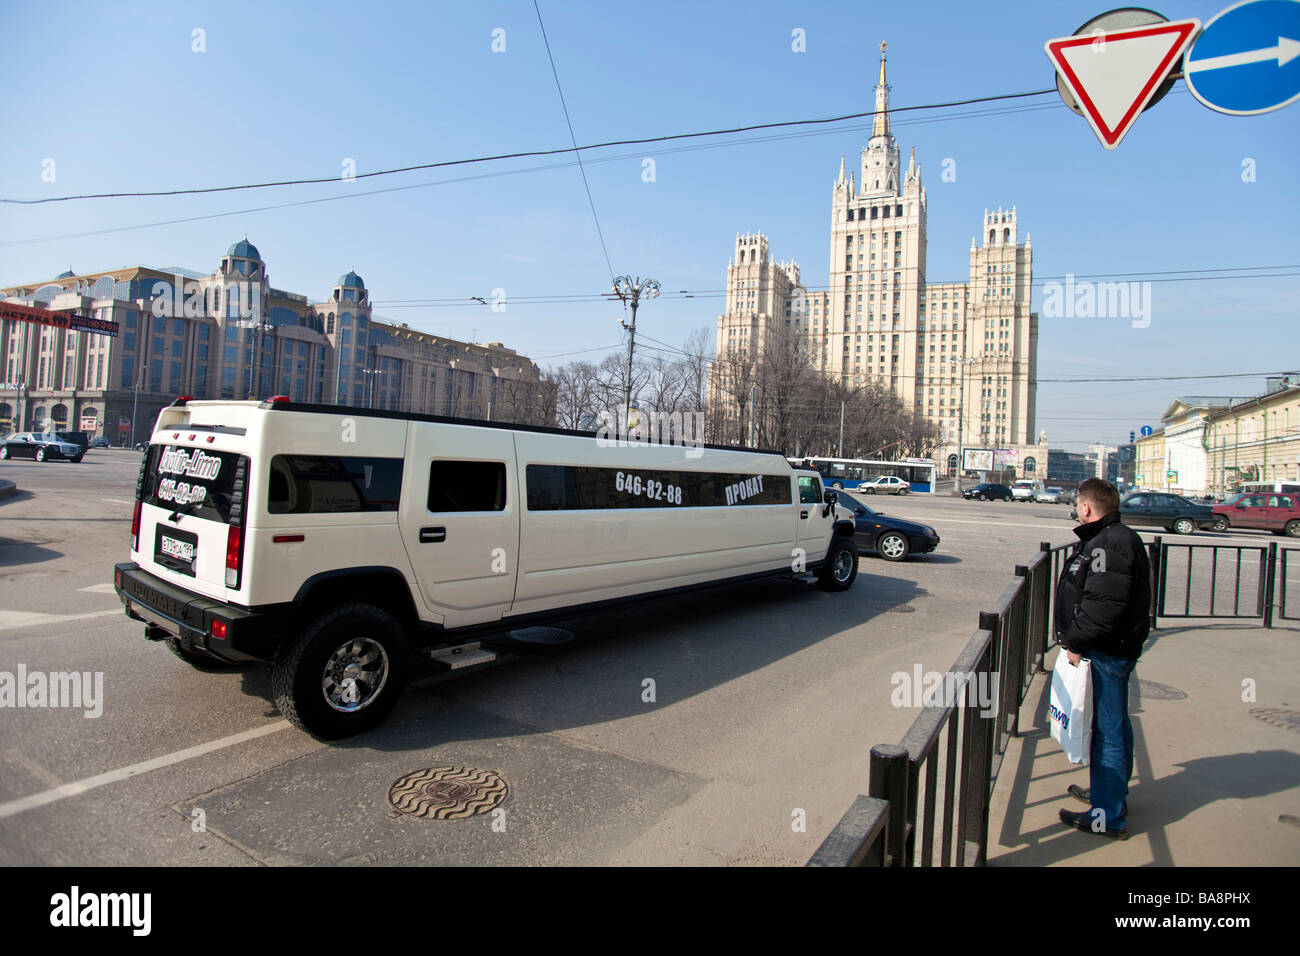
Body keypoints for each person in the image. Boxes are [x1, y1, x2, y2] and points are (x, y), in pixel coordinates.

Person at [1053, 477, 1151, 839]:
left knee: (1106, 732)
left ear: (1086, 508)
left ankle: (1107, 814)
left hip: (1106, 651)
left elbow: (1103, 609)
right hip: (1113, 648)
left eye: (1079, 504)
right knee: (1114, 726)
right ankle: (1110, 794)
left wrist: (1075, 643)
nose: (1077, 509)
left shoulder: (1110, 544)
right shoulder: (1112, 538)